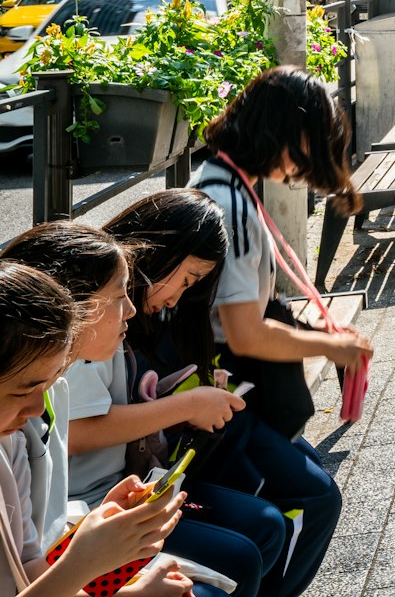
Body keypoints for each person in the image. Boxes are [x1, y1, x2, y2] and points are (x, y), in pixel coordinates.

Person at [2, 222, 277, 597]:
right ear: (72, 307)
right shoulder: (20, 425)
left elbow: (31, 558)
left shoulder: (43, 400)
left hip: (73, 541)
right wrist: (93, 562)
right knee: (244, 550)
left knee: (258, 534)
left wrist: (95, 541)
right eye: (119, 297)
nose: (131, 309)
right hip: (74, 540)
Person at [192, 69, 361, 595]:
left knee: (307, 490)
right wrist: (335, 346)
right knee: (317, 497)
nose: (304, 164)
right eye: (309, 145)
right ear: (286, 132)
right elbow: (244, 333)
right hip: (231, 394)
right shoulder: (234, 207)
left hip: (220, 387)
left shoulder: (218, 179)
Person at [0, 259, 190, 597]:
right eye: (22, 391)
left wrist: (98, 545)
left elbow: (28, 564)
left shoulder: (9, 440)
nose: (37, 409)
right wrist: (84, 562)